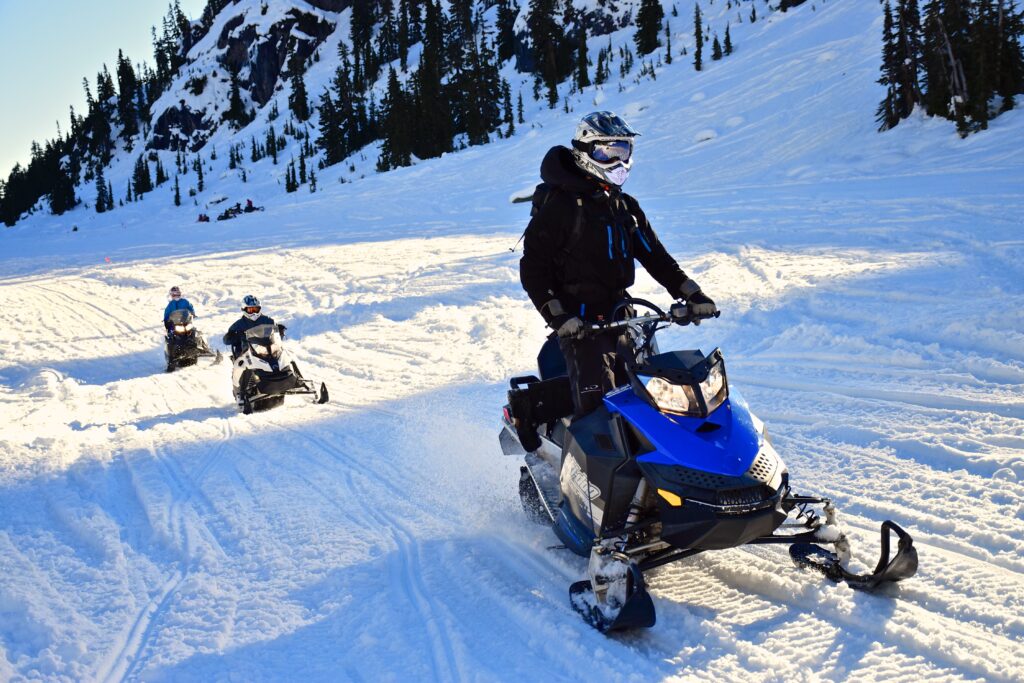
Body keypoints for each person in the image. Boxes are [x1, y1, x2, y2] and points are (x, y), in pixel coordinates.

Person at [519, 111, 719, 417]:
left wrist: (692, 294)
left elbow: (656, 257)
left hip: (621, 315)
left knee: (650, 399)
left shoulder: (624, 206)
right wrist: (559, 317)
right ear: (584, 152)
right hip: (580, 324)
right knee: (599, 408)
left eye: (623, 150)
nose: (617, 162)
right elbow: (533, 267)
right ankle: (580, 462)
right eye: (607, 152)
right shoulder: (561, 206)